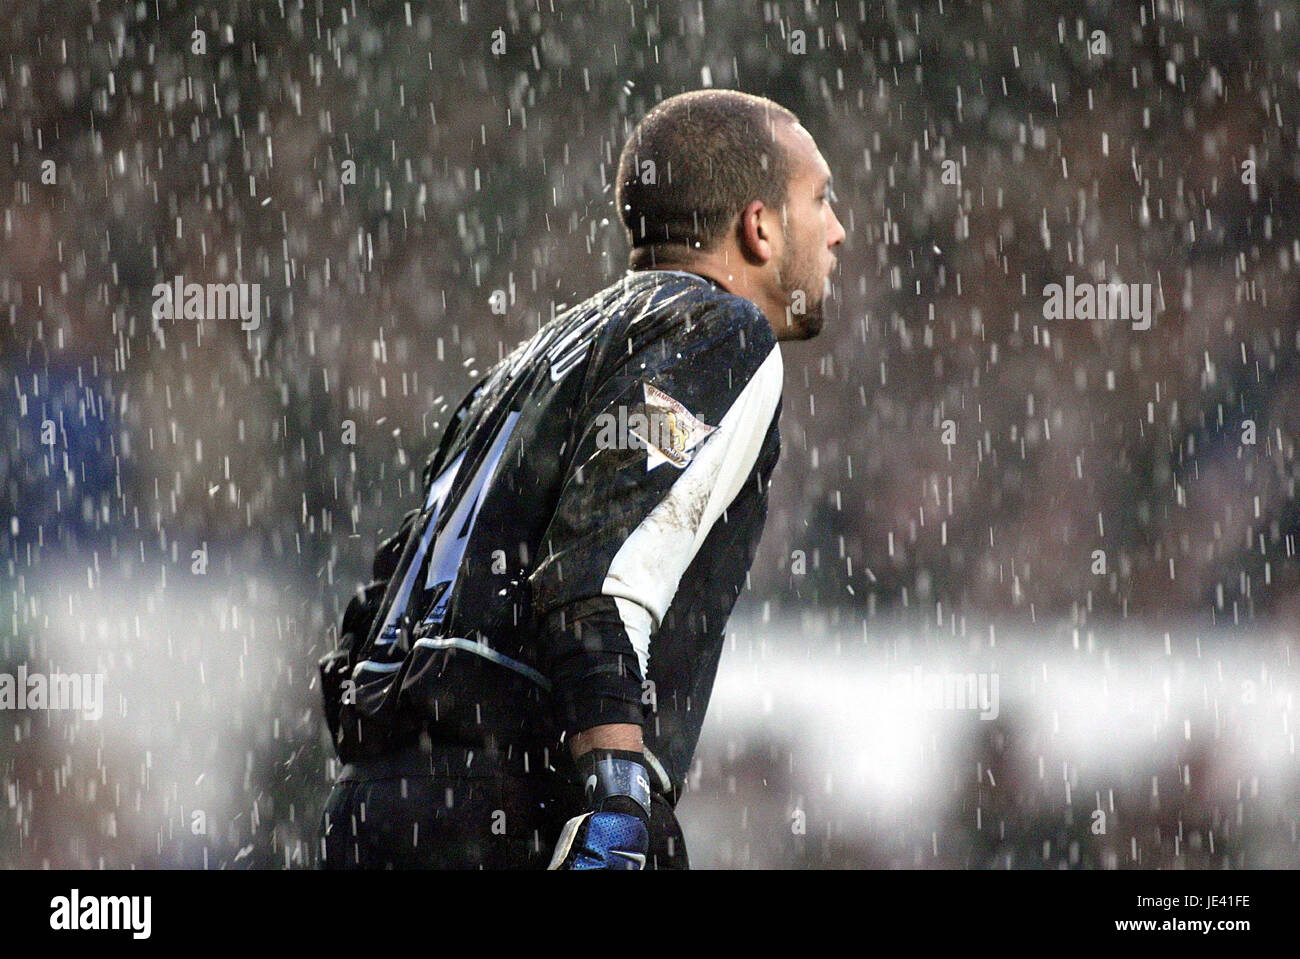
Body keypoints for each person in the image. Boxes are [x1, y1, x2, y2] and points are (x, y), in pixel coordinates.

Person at [318, 88, 844, 870]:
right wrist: (615, 794)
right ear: (759, 226)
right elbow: (599, 569)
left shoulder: (527, 362)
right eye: (821, 199)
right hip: (526, 802)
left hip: (382, 800)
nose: (839, 231)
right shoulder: (716, 330)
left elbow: (378, 599)